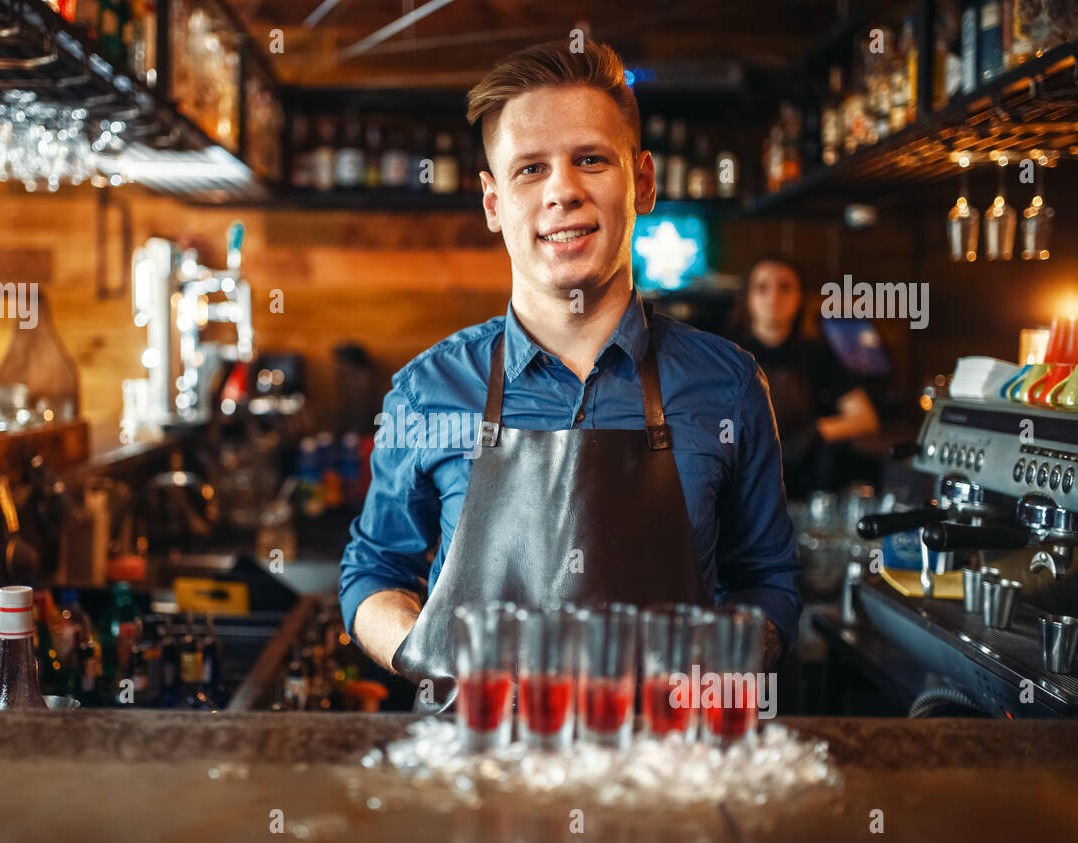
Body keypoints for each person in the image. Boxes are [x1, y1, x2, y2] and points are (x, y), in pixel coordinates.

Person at [339, 40, 801, 711]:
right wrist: (429, 653)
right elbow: (373, 570)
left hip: (668, 777)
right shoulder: (427, 390)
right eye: (531, 169)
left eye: (591, 159)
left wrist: (720, 659)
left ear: (641, 180)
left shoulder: (729, 384)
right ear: (494, 203)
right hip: (470, 779)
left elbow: (769, 581)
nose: (563, 191)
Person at [725, 257, 880, 498]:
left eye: (785, 287)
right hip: (740, 484)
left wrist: (814, 432)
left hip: (802, 487)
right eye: (762, 287)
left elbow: (865, 418)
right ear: (747, 297)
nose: (774, 296)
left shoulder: (817, 354)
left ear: (799, 297)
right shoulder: (724, 354)